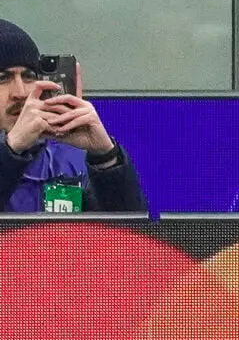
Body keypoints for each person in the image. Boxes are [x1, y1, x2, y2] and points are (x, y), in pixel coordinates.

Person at [0, 21, 145, 215]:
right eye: (3, 78)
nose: (21, 92)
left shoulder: (70, 163)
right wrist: (11, 149)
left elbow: (130, 232)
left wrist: (105, 158)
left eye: (29, 76)